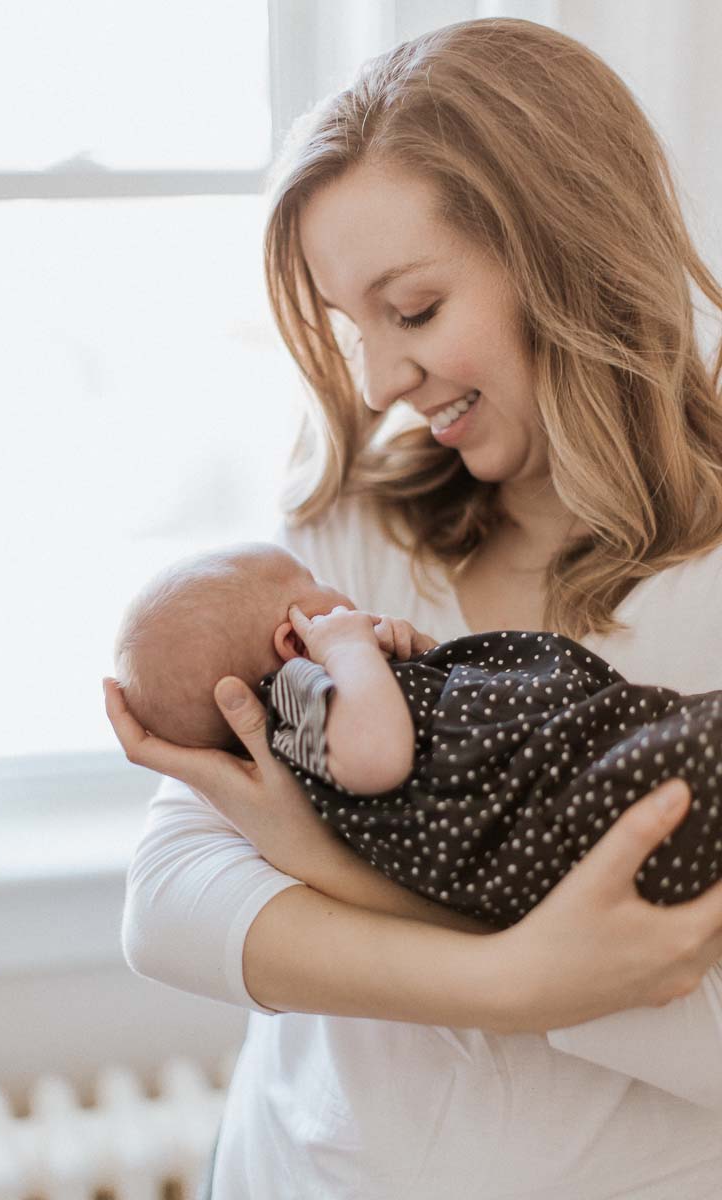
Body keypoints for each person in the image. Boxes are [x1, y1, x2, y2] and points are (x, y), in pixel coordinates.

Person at [105, 17, 722, 1199]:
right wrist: (521, 980)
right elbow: (173, 901)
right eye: (353, 326)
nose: (381, 383)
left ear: (568, 254)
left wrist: (338, 884)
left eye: (415, 310)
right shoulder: (347, 531)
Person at [113, 542, 722, 929]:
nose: (342, 598)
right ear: (296, 642)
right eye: (314, 581)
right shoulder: (296, 704)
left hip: (583, 778)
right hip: (568, 808)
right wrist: (349, 649)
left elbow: (441, 722)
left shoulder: (327, 702)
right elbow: (380, 757)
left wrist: (406, 658)